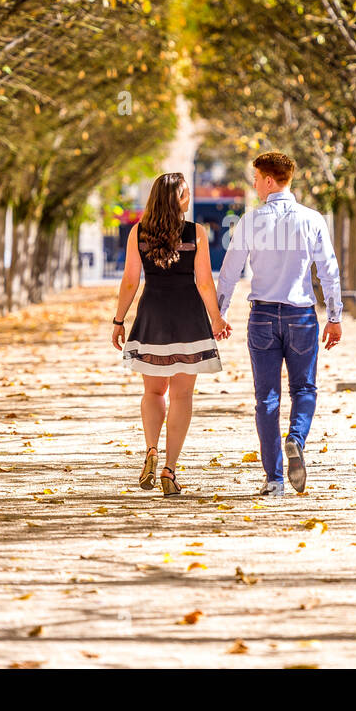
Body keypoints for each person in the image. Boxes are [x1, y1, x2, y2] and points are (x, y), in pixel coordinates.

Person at [216, 151, 343, 496]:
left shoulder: (250, 221)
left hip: (262, 318)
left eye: (256, 179)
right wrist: (334, 316)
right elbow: (328, 272)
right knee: (304, 390)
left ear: (270, 180)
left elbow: (228, 274)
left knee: (266, 399)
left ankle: (273, 481)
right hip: (301, 315)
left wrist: (219, 313)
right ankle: (296, 438)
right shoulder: (312, 219)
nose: (254, 185)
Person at [113, 173, 229, 497]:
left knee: (153, 392)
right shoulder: (196, 233)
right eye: (186, 194)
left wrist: (118, 319)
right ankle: (169, 470)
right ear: (179, 200)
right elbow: (205, 282)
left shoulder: (139, 233)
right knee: (181, 395)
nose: (189, 199)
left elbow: (129, 281)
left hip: (153, 315)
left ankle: (151, 450)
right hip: (188, 317)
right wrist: (217, 319)